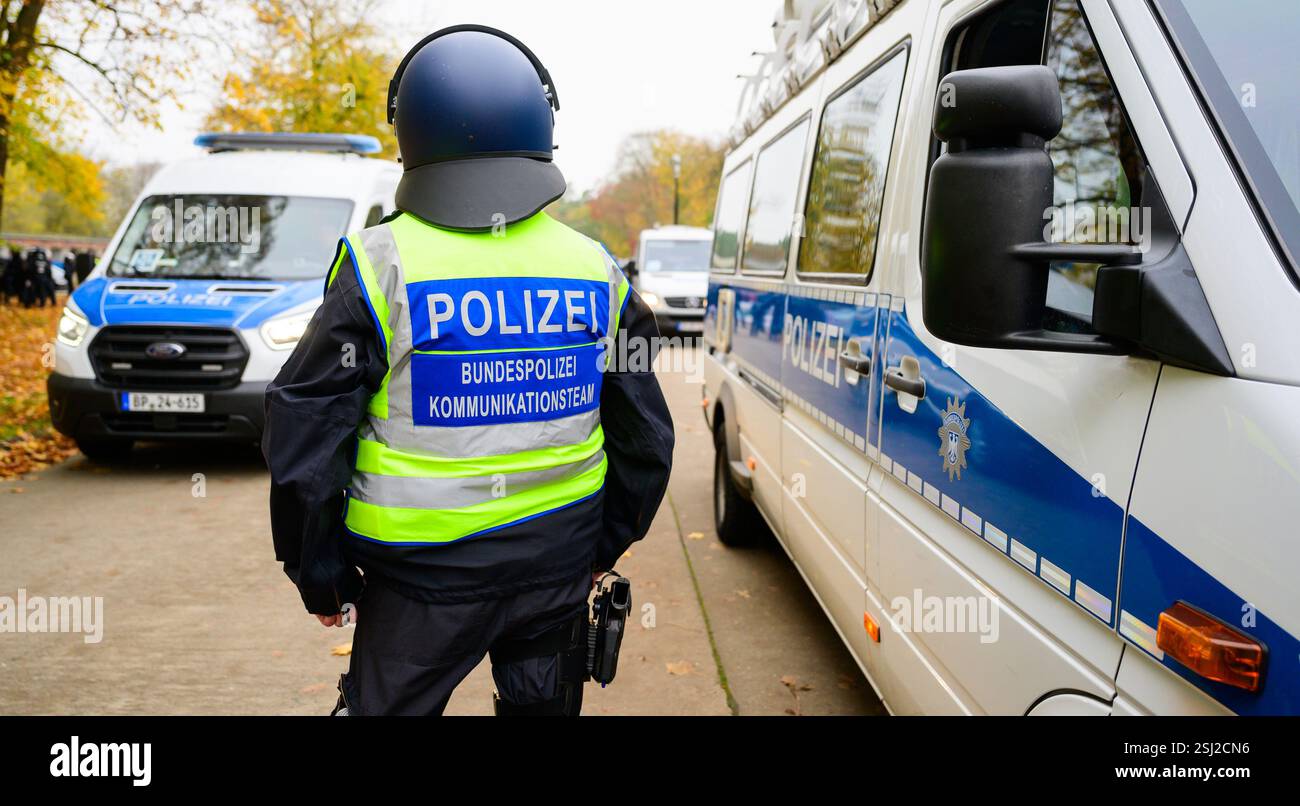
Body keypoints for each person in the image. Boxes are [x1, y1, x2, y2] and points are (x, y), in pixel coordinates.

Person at [263, 25, 675, 717]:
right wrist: (602, 549)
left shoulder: (379, 264)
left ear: (410, 132)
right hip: (555, 569)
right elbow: (647, 439)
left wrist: (322, 576)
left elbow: (305, 431)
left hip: (417, 587)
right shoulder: (596, 270)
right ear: (542, 126)